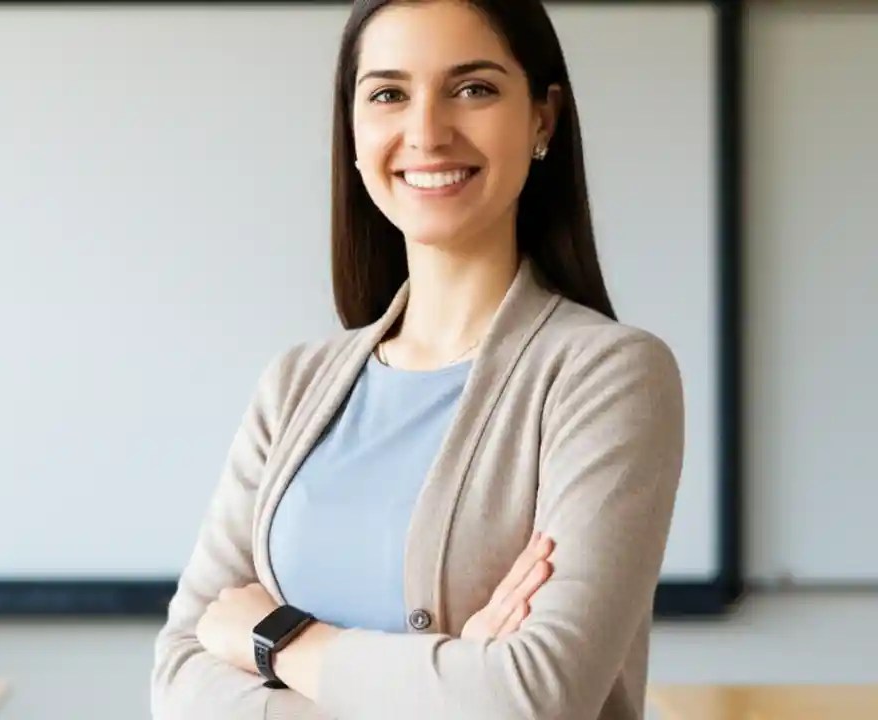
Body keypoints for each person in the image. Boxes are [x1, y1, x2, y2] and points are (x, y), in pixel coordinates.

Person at [150, 0, 684, 717]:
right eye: (389, 94)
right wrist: (450, 680)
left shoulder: (610, 377)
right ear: (354, 128)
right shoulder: (295, 386)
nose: (427, 132)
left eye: (474, 89)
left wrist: (276, 640)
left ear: (542, 119)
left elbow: (530, 701)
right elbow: (180, 677)